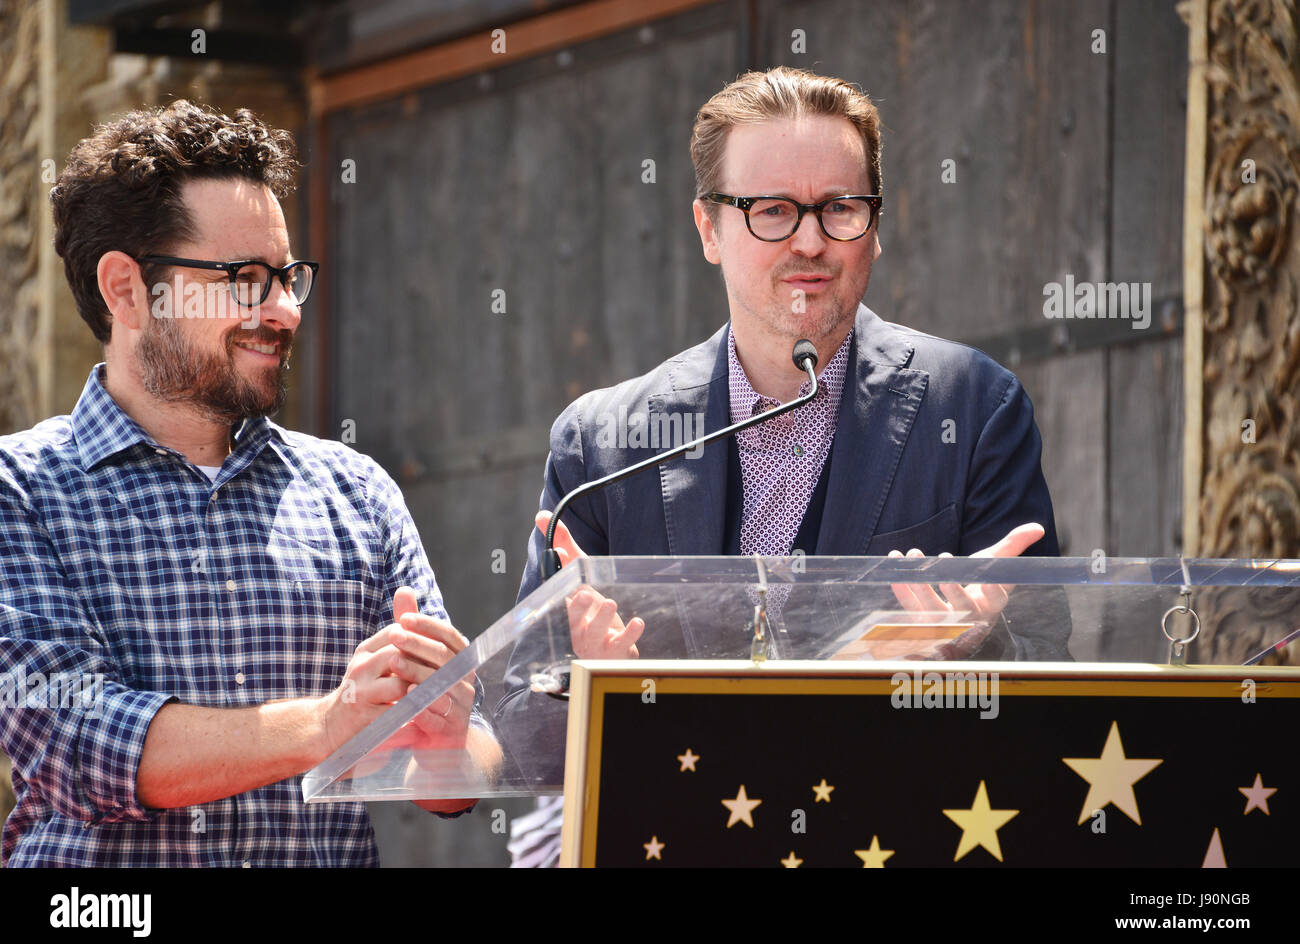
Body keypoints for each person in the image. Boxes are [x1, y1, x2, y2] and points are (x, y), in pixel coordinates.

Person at [504, 67, 1066, 865]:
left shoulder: (974, 409)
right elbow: (520, 734)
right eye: (771, 210)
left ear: (875, 225)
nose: (810, 240)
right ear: (707, 228)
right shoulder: (602, 447)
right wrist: (587, 684)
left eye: (839, 208)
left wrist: (975, 648)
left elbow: (1058, 683)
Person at [0, 100, 497, 867]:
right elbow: (74, 742)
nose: (286, 310)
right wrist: (331, 722)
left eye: (288, 277)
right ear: (127, 290)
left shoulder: (354, 493)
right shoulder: (22, 490)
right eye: (245, 279)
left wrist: (449, 736)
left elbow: (452, 777)